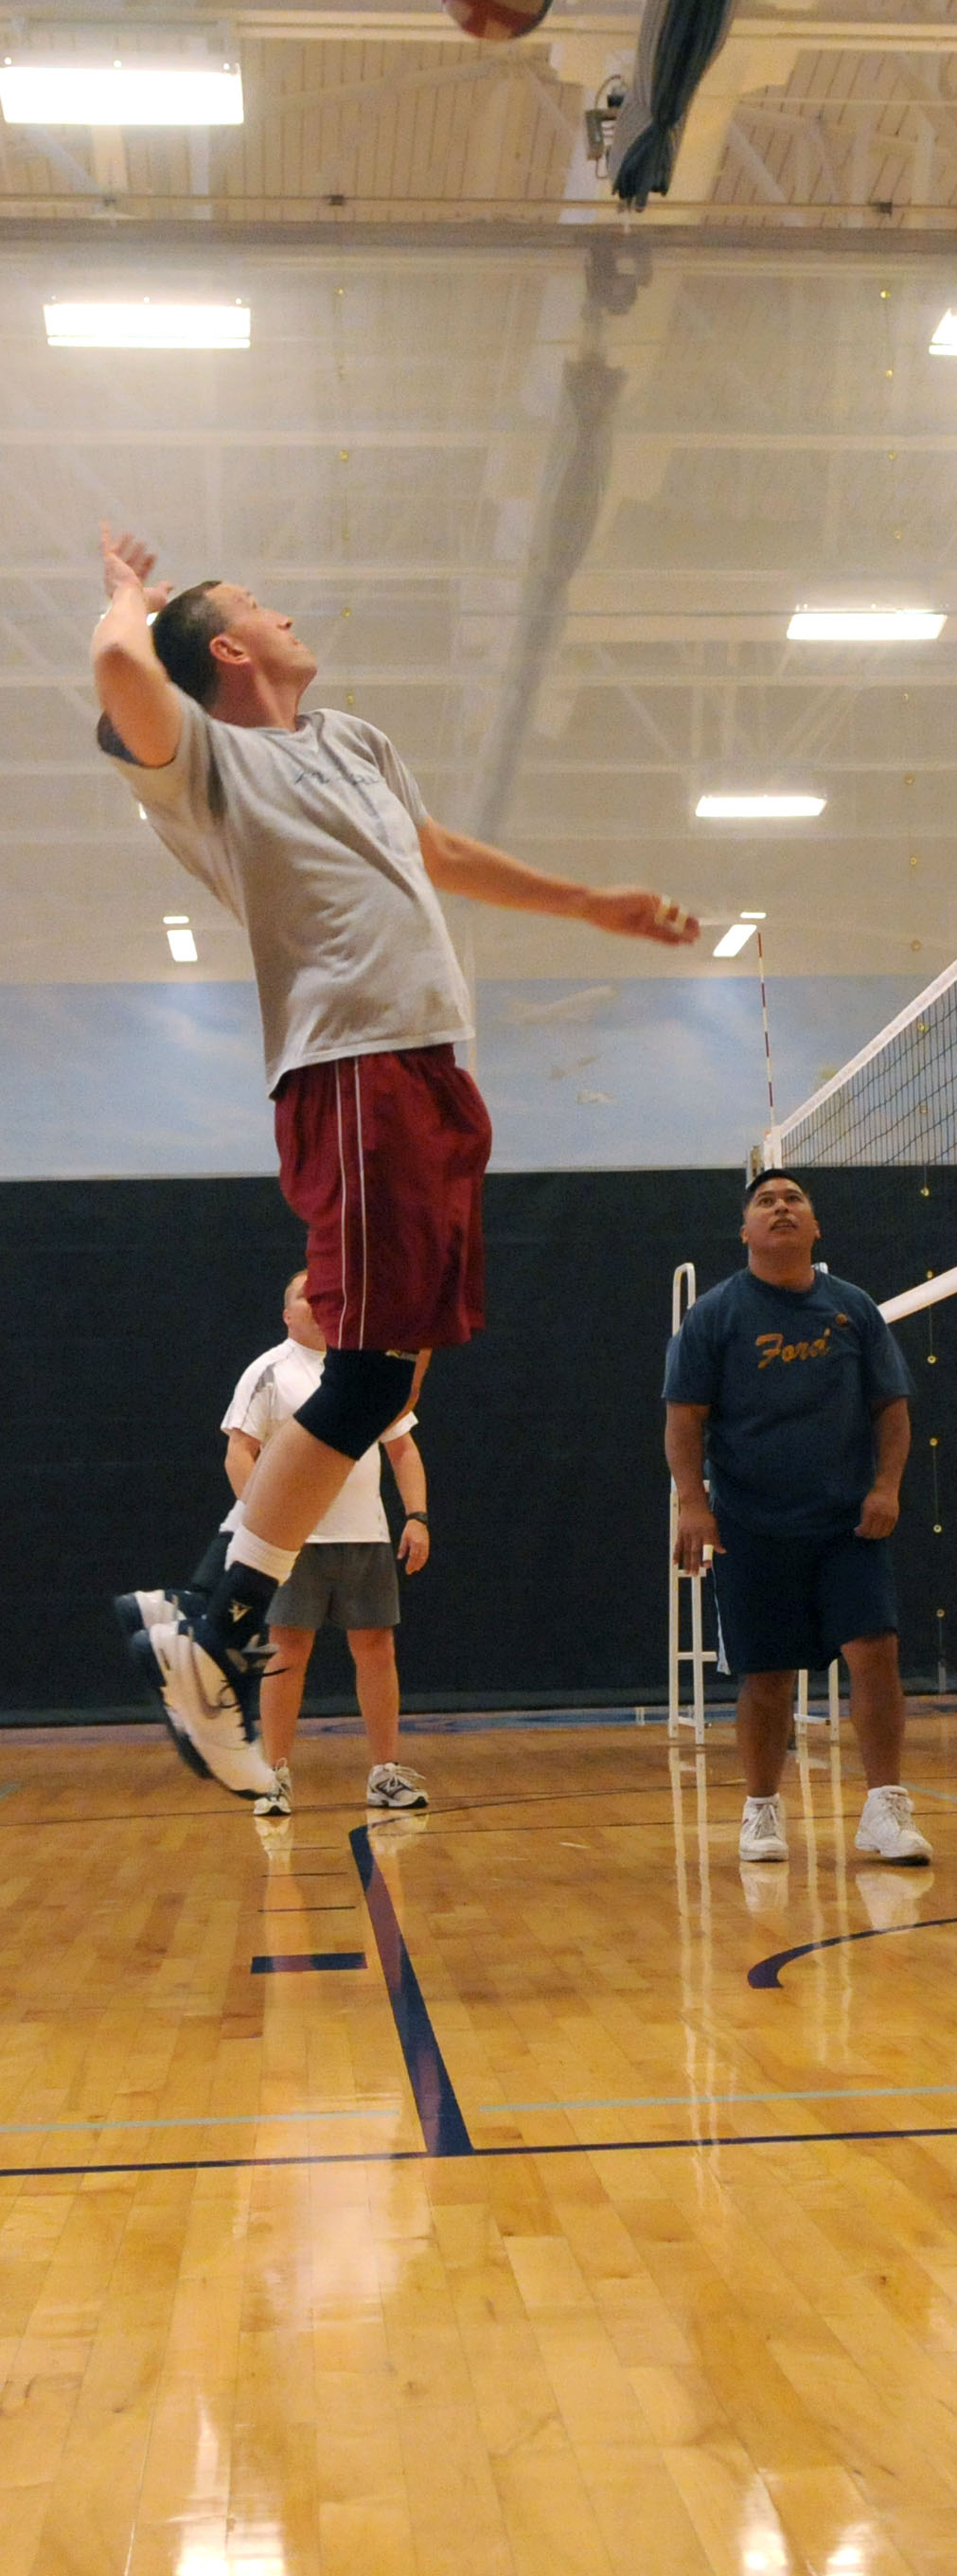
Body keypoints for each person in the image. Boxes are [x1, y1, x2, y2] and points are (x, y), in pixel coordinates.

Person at [92, 528, 700, 1798]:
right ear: (228, 647)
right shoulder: (206, 763)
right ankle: (211, 1625)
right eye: (262, 602)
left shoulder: (356, 740)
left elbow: (439, 855)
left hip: (432, 1068)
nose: (290, 607)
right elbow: (118, 672)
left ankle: (208, 1614)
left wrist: (591, 904)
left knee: (399, 1365)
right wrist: (128, 591)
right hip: (351, 1064)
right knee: (366, 1371)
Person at [664, 1170, 931, 1869]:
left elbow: (892, 1409)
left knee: (876, 1652)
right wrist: (693, 1503)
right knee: (767, 1675)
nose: (781, 1208)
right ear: (746, 1232)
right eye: (765, 1202)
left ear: (815, 1228)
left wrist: (887, 1487)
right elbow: (684, 1419)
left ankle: (884, 1807)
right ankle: (760, 1811)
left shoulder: (853, 1310)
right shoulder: (716, 1315)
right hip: (752, 1522)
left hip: (847, 1524)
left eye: (794, 1200)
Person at [218, 1271, 434, 1817]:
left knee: (377, 1651)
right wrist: (259, 1525)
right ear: (287, 1314)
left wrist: (417, 1516)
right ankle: (275, 1776)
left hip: (365, 1536)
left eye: (324, 1296)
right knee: (286, 1653)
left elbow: (403, 1450)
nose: (316, 1305)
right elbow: (238, 1453)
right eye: (303, 1297)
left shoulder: (364, 1369)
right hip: (297, 1541)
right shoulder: (268, 1371)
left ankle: (384, 1774)